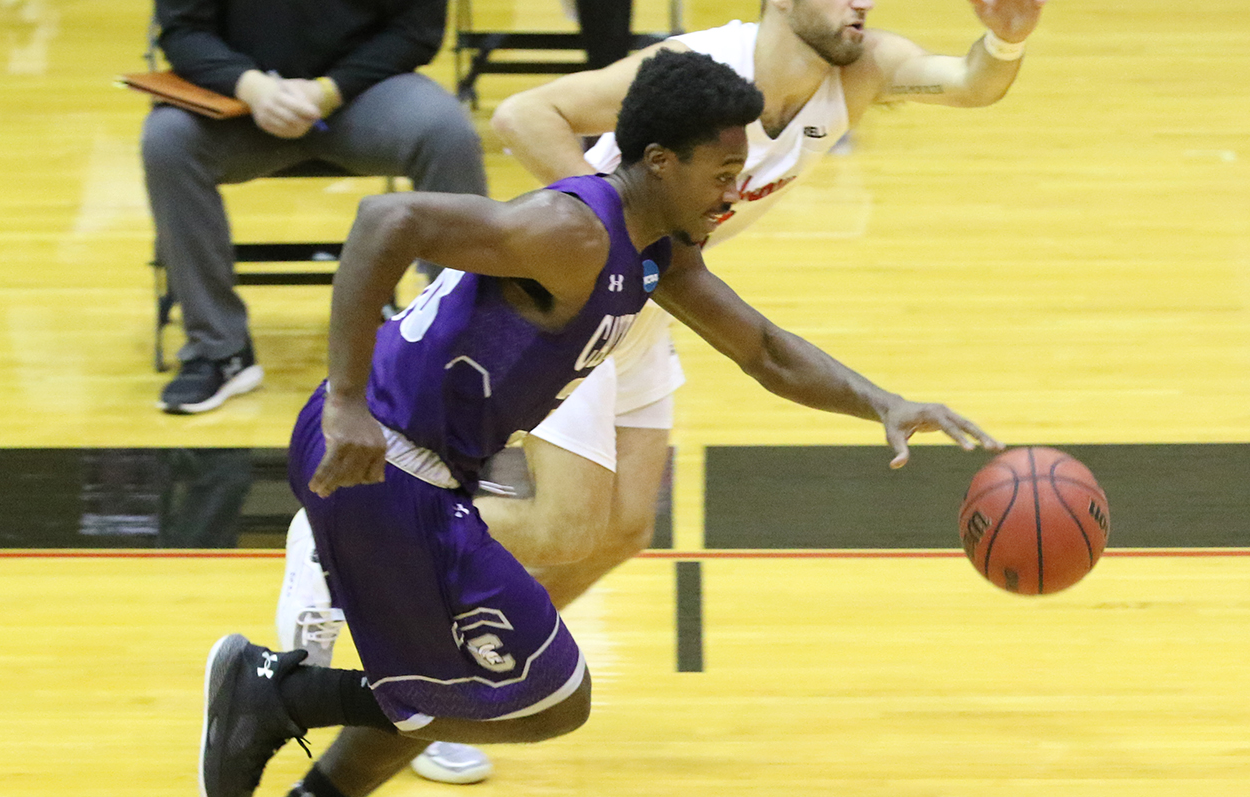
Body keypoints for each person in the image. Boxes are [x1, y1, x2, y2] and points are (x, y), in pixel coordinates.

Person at [275, 0, 1045, 784]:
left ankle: (450, 678)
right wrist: (606, 241)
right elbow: (521, 112)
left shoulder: (860, 66)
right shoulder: (693, 71)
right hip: (592, 283)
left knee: (621, 529)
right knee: (566, 521)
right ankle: (377, 601)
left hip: (651, 285)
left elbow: (966, 83)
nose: (861, 2)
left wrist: (1005, 39)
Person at [143, 0, 487, 415]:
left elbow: (416, 32)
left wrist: (328, 90)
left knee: (446, 133)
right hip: (239, 100)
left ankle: (459, 344)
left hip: (359, 94)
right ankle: (218, 350)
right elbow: (183, 31)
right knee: (167, 141)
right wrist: (253, 88)